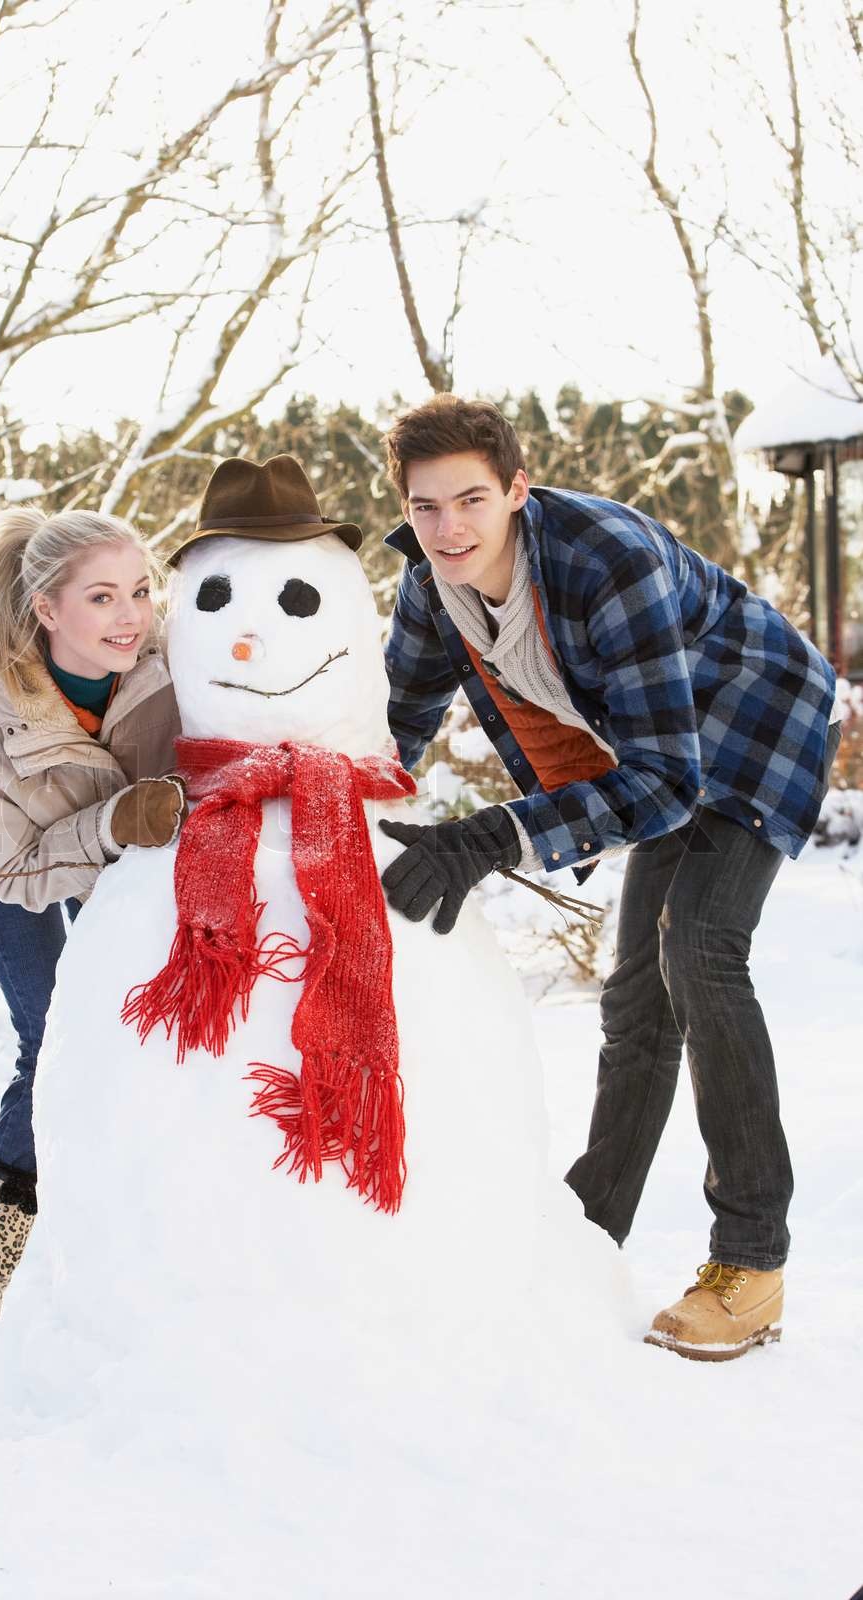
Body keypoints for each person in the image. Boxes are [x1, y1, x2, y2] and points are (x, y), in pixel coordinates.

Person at [377, 393, 840, 1362]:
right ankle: (585, 1238)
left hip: (756, 718)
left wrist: (487, 838)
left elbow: (667, 781)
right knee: (635, 999)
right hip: (654, 753)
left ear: (515, 489)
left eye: (470, 498)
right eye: (426, 507)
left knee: (696, 946)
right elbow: (392, 730)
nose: (448, 527)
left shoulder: (603, 559)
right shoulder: (430, 591)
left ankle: (748, 1263)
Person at [0, 506, 185, 1378]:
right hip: (6, 850)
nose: (130, 616)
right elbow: (21, 872)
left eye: (141, 592)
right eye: (103, 597)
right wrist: (117, 823)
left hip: (122, 841)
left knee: (134, 1033)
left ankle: (123, 1278)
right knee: (53, 1049)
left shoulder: (168, 653)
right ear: (46, 609)